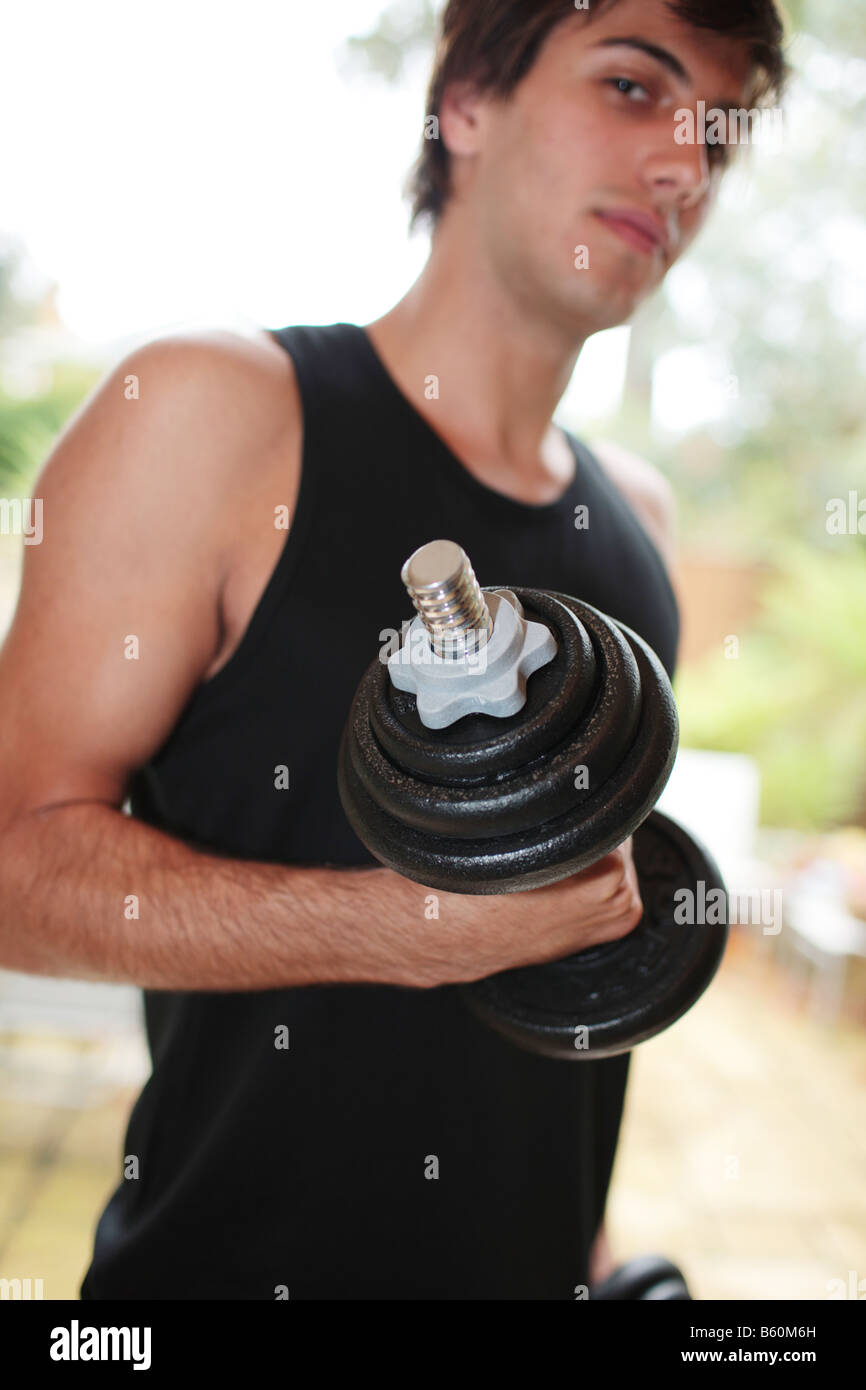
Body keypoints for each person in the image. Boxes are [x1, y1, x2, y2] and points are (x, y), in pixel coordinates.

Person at [0, 0, 788, 1299]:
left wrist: (588, 1251)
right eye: (636, 89)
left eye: (720, 130)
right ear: (465, 103)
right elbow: (16, 859)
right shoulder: (215, 416)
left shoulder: (638, 530)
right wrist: (398, 924)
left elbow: (561, 976)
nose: (683, 165)